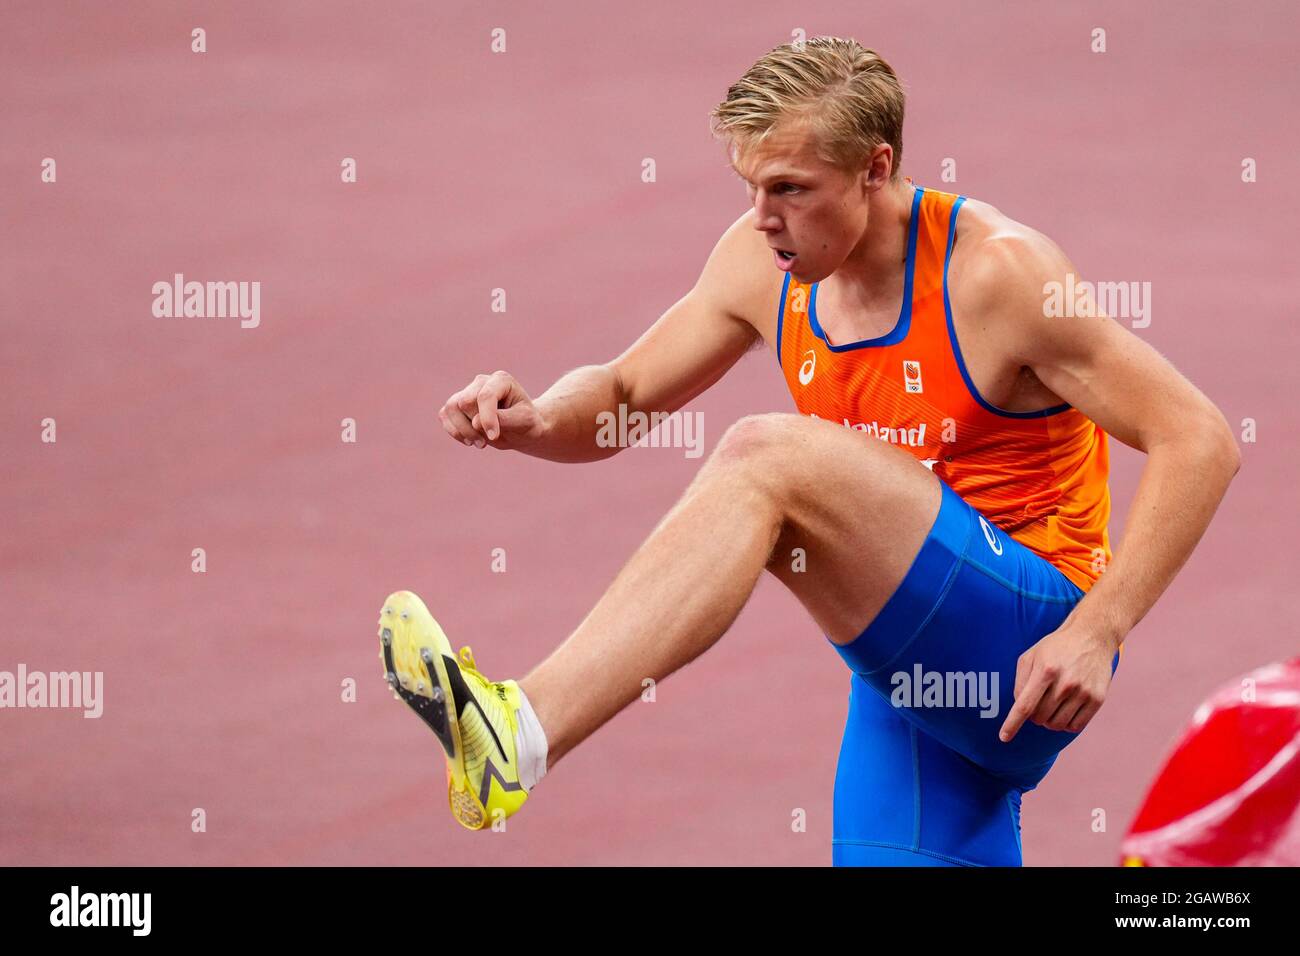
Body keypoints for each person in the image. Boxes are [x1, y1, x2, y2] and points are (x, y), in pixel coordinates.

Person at [378, 37, 1239, 865]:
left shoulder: (999, 277)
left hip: (1029, 643)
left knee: (767, 459)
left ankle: (522, 731)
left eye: (789, 188)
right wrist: (536, 419)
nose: (761, 219)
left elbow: (1198, 438)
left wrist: (1099, 629)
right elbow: (625, 396)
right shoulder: (762, 260)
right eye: (751, 187)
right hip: (911, 677)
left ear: (875, 166)